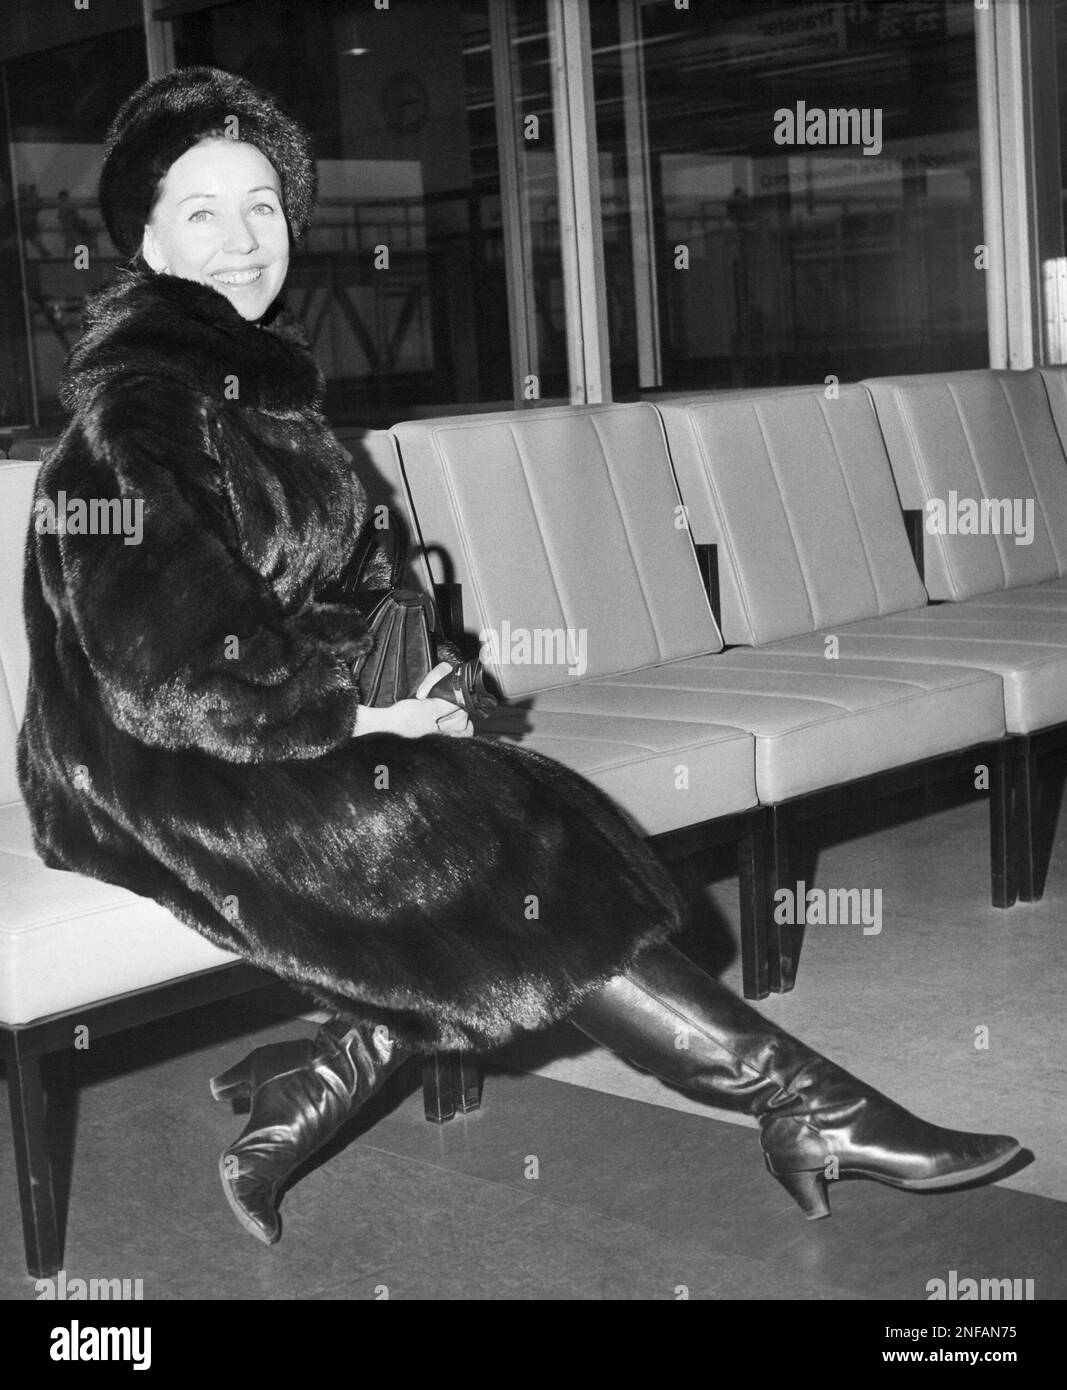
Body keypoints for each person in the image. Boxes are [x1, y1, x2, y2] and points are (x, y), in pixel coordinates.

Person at [17, 67, 1022, 1249]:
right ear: (143, 238)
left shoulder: (254, 394)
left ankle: (320, 1079)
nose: (245, 240)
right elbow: (169, 664)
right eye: (204, 211)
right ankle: (808, 1105)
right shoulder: (139, 409)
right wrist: (347, 722)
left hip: (249, 724)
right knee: (458, 831)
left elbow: (364, 595)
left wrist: (424, 692)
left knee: (502, 802)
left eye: (265, 207)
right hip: (140, 764)